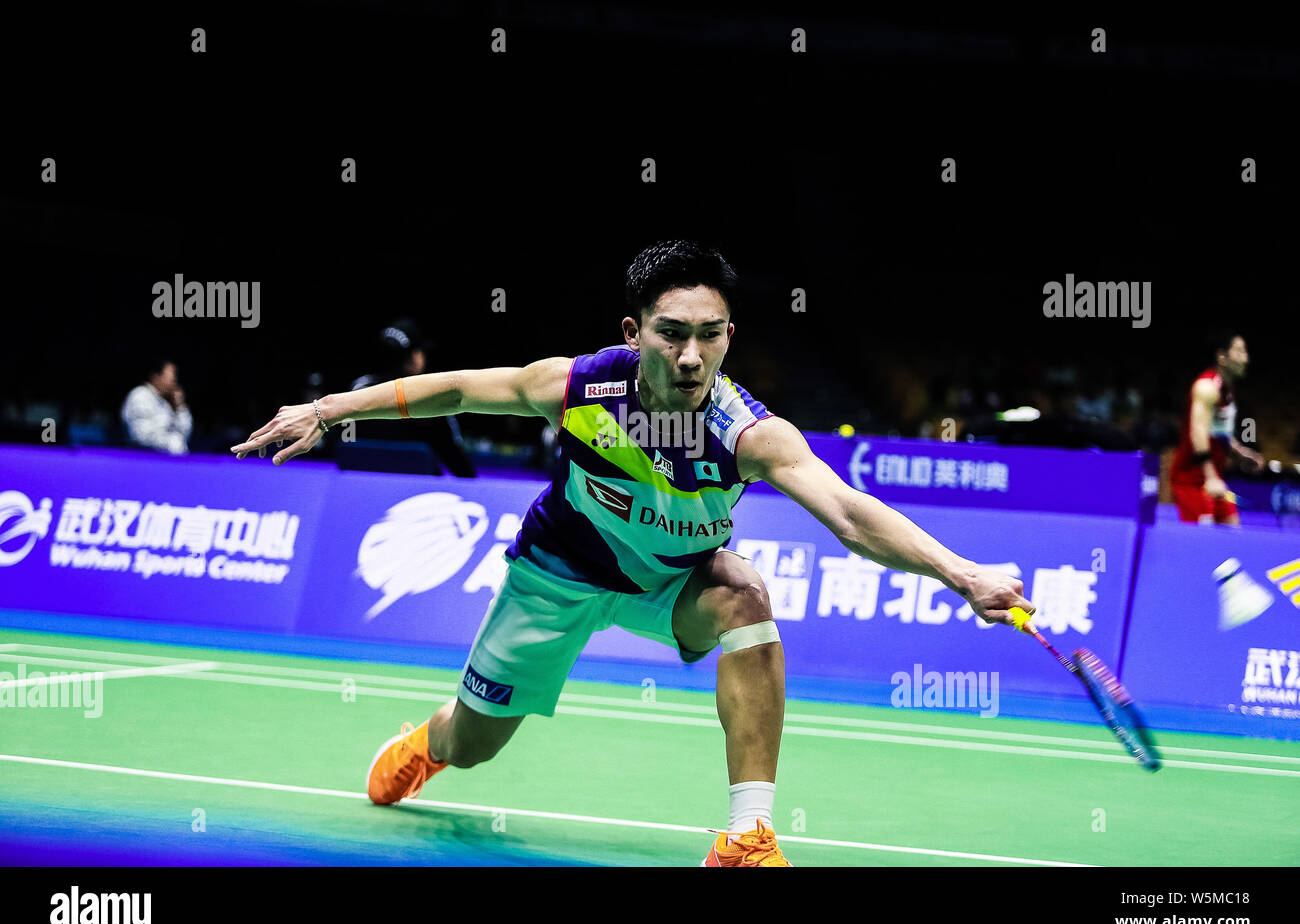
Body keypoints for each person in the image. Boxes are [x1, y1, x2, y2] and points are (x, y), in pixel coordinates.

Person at [231, 240, 1034, 866]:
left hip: (670, 584)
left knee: (746, 594)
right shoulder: (578, 388)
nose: (691, 356)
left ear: (729, 338)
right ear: (634, 332)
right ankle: (429, 743)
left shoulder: (750, 434)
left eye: (709, 336)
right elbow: (457, 388)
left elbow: (851, 516)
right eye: (672, 334)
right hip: (555, 576)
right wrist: (329, 410)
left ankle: (745, 837)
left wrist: (961, 574)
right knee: (474, 747)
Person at [348, 318, 476, 477]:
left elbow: (342, 444)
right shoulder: (433, 399)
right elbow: (458, 462)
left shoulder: (357, 392)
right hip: (418, 495)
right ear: (413, 358)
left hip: (358, 487)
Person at [1169, 332, 1265, 524]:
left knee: (1233, 530)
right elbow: (1198, 432)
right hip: (1192, 480)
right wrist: (1210, 477)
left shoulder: (1226, 390)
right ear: (1222, 357)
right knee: (1203, 543)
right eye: (1239, 351)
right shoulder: (1206, 387)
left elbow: (1219, 432)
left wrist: (1240, 452)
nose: (1245, 358)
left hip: (1213, 479)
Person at [122, 357, 192, 455]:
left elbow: (185, 435)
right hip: (144, 460)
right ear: (156, 377)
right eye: (172, 376)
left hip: (170, 461)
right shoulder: (140, 396)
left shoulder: (167, 403)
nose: (174, 381)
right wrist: (171, 442)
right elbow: (140, 436)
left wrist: (180, 407)